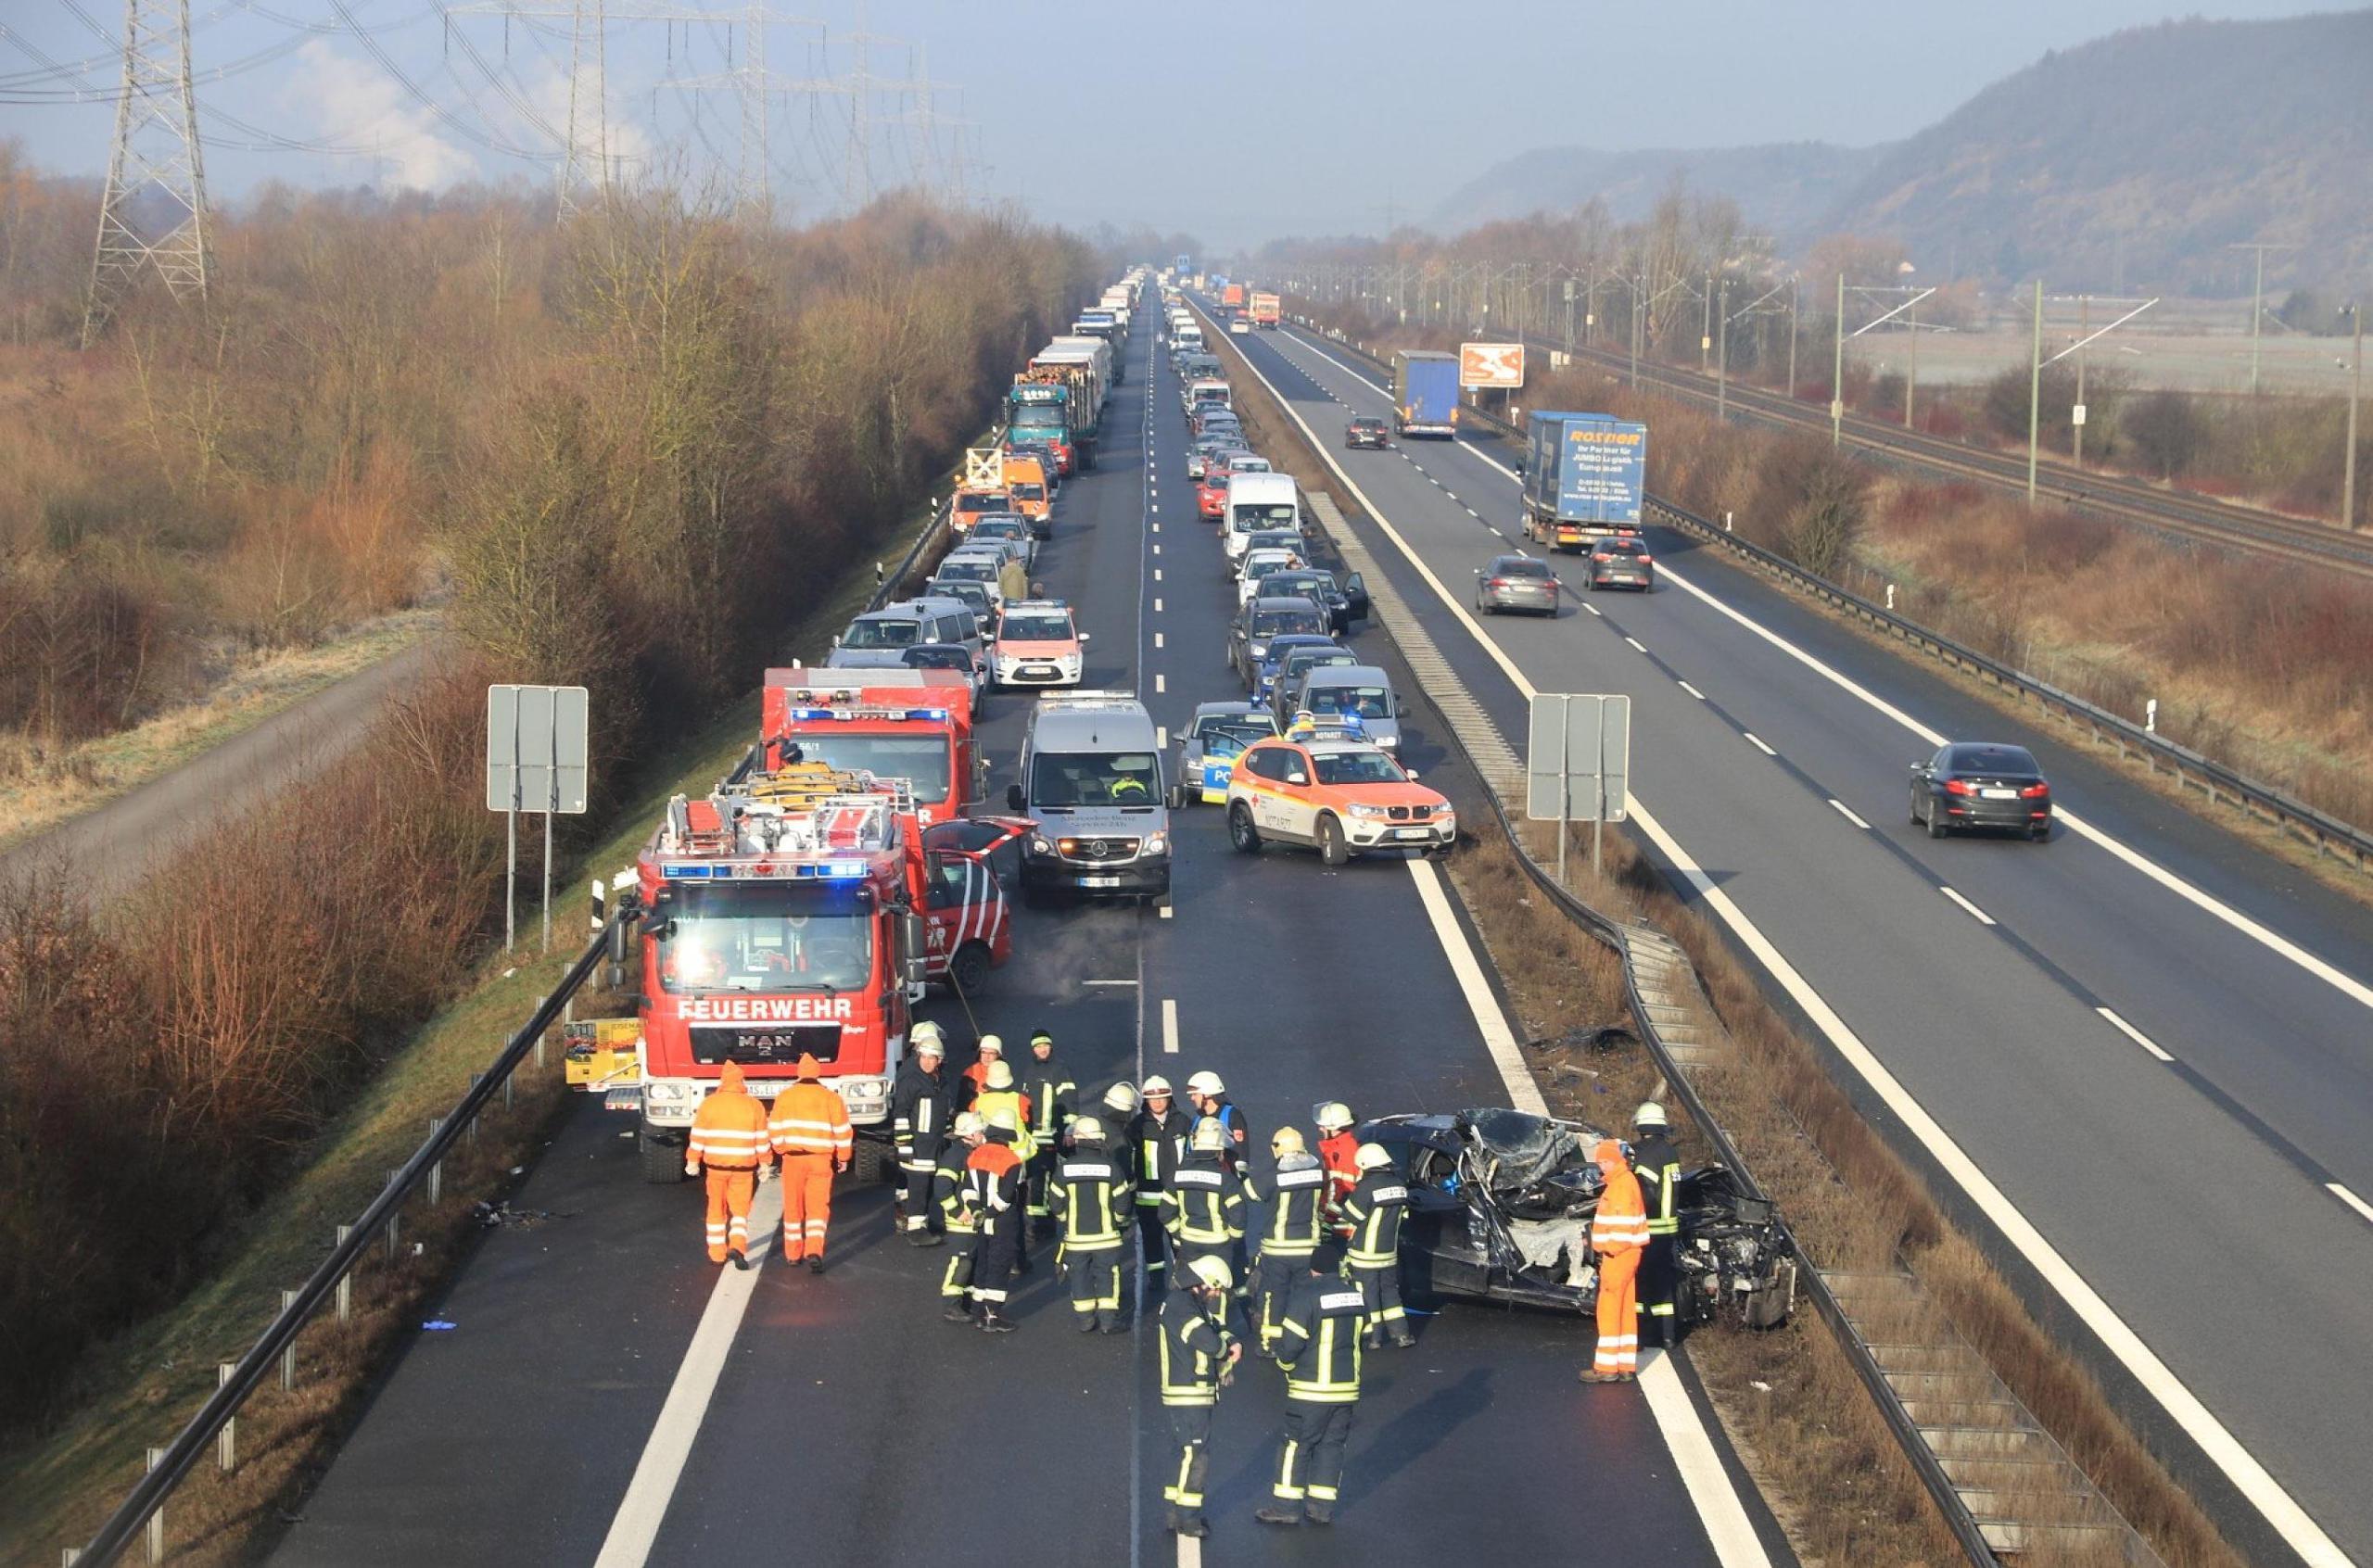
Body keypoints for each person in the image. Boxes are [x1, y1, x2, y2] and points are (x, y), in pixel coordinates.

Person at [1257, 1241, 1368, 1528]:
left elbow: (1290, 1346)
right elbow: (1363, 1336)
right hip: (1346, 1390)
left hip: (1310, 1390)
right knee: (1332, 1447)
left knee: (1296, 1445)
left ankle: (1285, 1507)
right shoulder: (1356, 1297)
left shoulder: (1305, 1297)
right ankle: (1321, 1508)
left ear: (1314, 1269)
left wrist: (1285, 1366)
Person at [1159, 1257, 1242, 1539]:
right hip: (1190, 1392)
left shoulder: (1187, 1303)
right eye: (1216, 1288)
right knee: (1196, 1456)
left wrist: (1230, 1339)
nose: (1216, 1294)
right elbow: (1206, 1341)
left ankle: (1175, 1512)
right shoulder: (1181, 1307)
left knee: (1182, 1454)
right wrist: (1225, 1350)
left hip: (1189, 1392)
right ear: (1203, 1281)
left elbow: (1212, 1327)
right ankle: (1188, 1518)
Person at [1246, 1128, 1329, 1357]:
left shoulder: (1275, 1176)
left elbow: (1251, 1191)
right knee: (1305, 1295)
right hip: (1308, 1246)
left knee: (1276, 1295)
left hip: (1279, 1248)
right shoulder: (1317, 1171)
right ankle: (1307, 1340)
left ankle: (1271, 1344)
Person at [1047, 1115, 1134, 1334]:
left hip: (1076, 1239)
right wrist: (1118, 1222)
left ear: (1077, 1140)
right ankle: (1108, 1321)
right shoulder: (1112, 1168)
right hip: (1107, 1238)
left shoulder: (1064, 1169)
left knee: (1080, 1276)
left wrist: (1067, 1221)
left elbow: (1055, 1203)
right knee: (1107, 1275)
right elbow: (1124, 1204)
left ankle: (1086, 1319)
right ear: (1100, 1140)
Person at [767, 1053, 852, 1273]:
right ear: (817, 1073)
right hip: (821, 1160)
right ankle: (814, 1250)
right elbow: (843, 1132)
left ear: (799, 1073)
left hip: (793, 1160)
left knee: (793, 1207)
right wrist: (843, 1157)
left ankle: (793, 1254)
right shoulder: (831, 1098)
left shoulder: (785, 1097)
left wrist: (780, 1149)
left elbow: (774, 1129)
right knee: (818, 1207)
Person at [684, 1061, 771, 1269]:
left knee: (716, 1209)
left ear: (722, 1081)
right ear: (741, 1081)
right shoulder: (754, 1105)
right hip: (743, 1170)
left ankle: (717, 1254)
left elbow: (698, 1137)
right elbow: (762, 1138)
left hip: (716, 1169)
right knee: (740, 1211)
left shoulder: (709, 1104)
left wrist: (693, 1160)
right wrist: (765, 1163)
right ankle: (738, 1247)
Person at [1580, 1137, 1649, 1383]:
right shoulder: (1626, 1182)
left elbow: (1621, 1229)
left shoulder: (1620, 1187)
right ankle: (1625, 1365)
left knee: (1609, 1310)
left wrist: (1603, 1247)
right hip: (1628, 1255)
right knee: (1625, 1310)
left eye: (1605, 1161)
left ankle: (1606, 1368)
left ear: (1616, 1160)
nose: (1602, 1166)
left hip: (1617, 1256)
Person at [1339, 1143, 1415, 1348]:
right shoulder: (1399, 1185)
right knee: (1390, 1291)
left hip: (1365, 1254)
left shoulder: (1366, 1188)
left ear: (1365, 1165)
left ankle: (1374, 1336)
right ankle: (1402, 1334)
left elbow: (1351, 1217)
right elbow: (1404, 1216)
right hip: (1389, 1252)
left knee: (1368, 1293)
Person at [1165, 1118, 1247, 1309]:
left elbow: (1165, 1211)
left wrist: (1178, 1233)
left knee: (1187, 1285)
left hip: (1189, 1243)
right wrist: (1233, 1238)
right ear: (1219, 1152)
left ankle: (1186, 1319)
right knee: (1216, 1290)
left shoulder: (1178, 1175)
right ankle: (1217, 1326)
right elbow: (1239, 1215)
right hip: (1219, 1244)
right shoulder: (1226, 1179)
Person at [964, 1108, 1029, 1334]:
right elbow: (1008, 1196)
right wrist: (992, 1212)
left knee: (983, 1263)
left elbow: (968, 1189)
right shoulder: (1012, 1160)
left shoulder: (975, 1155)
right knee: (999, 1265)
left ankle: (978, 1311)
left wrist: (977, 1211)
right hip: (1003, 1221)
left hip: (980, 1220)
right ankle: (993, 1314)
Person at [891, 1023, 954, 1245]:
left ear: (940, 1060)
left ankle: (923, 1222)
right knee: (917, 1188)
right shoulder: (911, 1081)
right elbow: (901, 1113)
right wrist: (905, 1145)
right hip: (917, 1145)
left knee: (926, 1186)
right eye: (924, 1057)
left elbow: (944, 1112)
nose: (927, 1062)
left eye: (932, 1058)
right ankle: (916, 1231)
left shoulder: (940, 1082)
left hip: (933, 1145)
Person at [1631, 1100, 1683, 1348]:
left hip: (1649, 1228)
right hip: (1669, 1230)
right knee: (1664, 1284)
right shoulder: (1669, 1151)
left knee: (1639, 1284)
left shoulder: (1644, 1153)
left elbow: (1646, 1193)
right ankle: (1669, 1336)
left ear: (1641, 1127)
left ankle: (1640, 1336)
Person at [1128, 1076, 1189, 1283]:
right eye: (1152, 1099)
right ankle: (1156, 1278)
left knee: (1180, 1240)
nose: (1157, 1102)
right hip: (1148, 1199)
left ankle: (1182, 1278)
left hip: (1178, 1196)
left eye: (1162, 1098)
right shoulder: (1137, 1126)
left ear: (1170, 1098)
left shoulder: (1183, 1122)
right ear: (1145, 1100)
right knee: (1152, 1239)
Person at [1021, 1028, 1076, 1237]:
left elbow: (1070, 1101)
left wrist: (1068, 1130)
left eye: (1045, 1045)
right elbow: (1024, 1103)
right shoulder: (1030, 1071)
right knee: (1037, 1180)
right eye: (1038, 1046)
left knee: (1047, 1180)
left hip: (1052, 1135)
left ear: (1051, 1047)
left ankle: (1046, 1223)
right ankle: (1041, 1222)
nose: (1042, 1049)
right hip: (1034, 1137)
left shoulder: (1060, 1070)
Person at [935, 1113, 986, 1321]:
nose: (983, 1135)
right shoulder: (956, 1156)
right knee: (962, 1261)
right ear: (971, 1134)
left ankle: (967, 1302)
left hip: (972, 1220)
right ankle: (952, 1304)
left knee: (972, 1261)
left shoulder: (972, 1153)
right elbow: (942, 1186)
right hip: (961, 1222)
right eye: (981, 1132)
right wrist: (957, 1212)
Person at [1184, 1070, 1252, 1175]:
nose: (1192, 1098)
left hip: (1225, 1180)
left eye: (1195, 1094)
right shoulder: (1197, 1119)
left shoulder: (1232, 1115)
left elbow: (1241, 1152)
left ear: (1206, 1094)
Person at [1313, 1102, 1360, 1236]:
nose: (1320, 1129)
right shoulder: (1335, 1148)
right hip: (1332, 1220)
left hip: (1340, 1226)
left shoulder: (1345, 1151)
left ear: (1335, 1127)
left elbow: (1346, 1189)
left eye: (1323, 1126)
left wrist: (1328, 1222)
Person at [958, 1032, 1007, 1108]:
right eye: (983, 1052)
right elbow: (962, 1103)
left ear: (998, 1055)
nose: (986, 1057)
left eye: (991, 1053)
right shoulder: (970, 1073)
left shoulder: (1003, 1071)